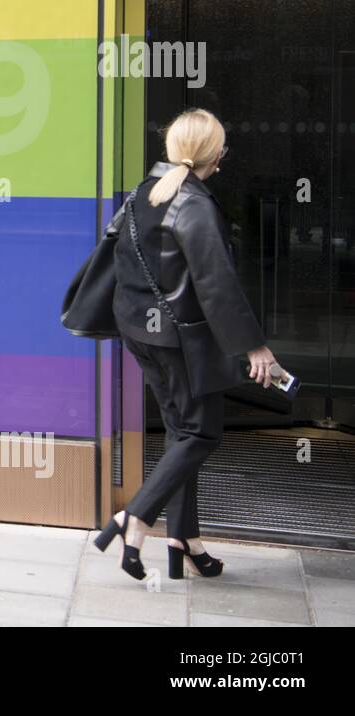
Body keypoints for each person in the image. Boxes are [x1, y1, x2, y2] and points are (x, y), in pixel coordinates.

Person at [95, 108, 277, 582]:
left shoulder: (142, 194)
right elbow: (216, 282)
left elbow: (114, 250)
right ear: (214, 154)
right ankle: (133, 514)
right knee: (201, 433)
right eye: (222, 147)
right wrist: (254, 347)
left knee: (181, 434)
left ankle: (184, 538)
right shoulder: (192, 203)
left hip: (140, 332)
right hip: (180, 341)